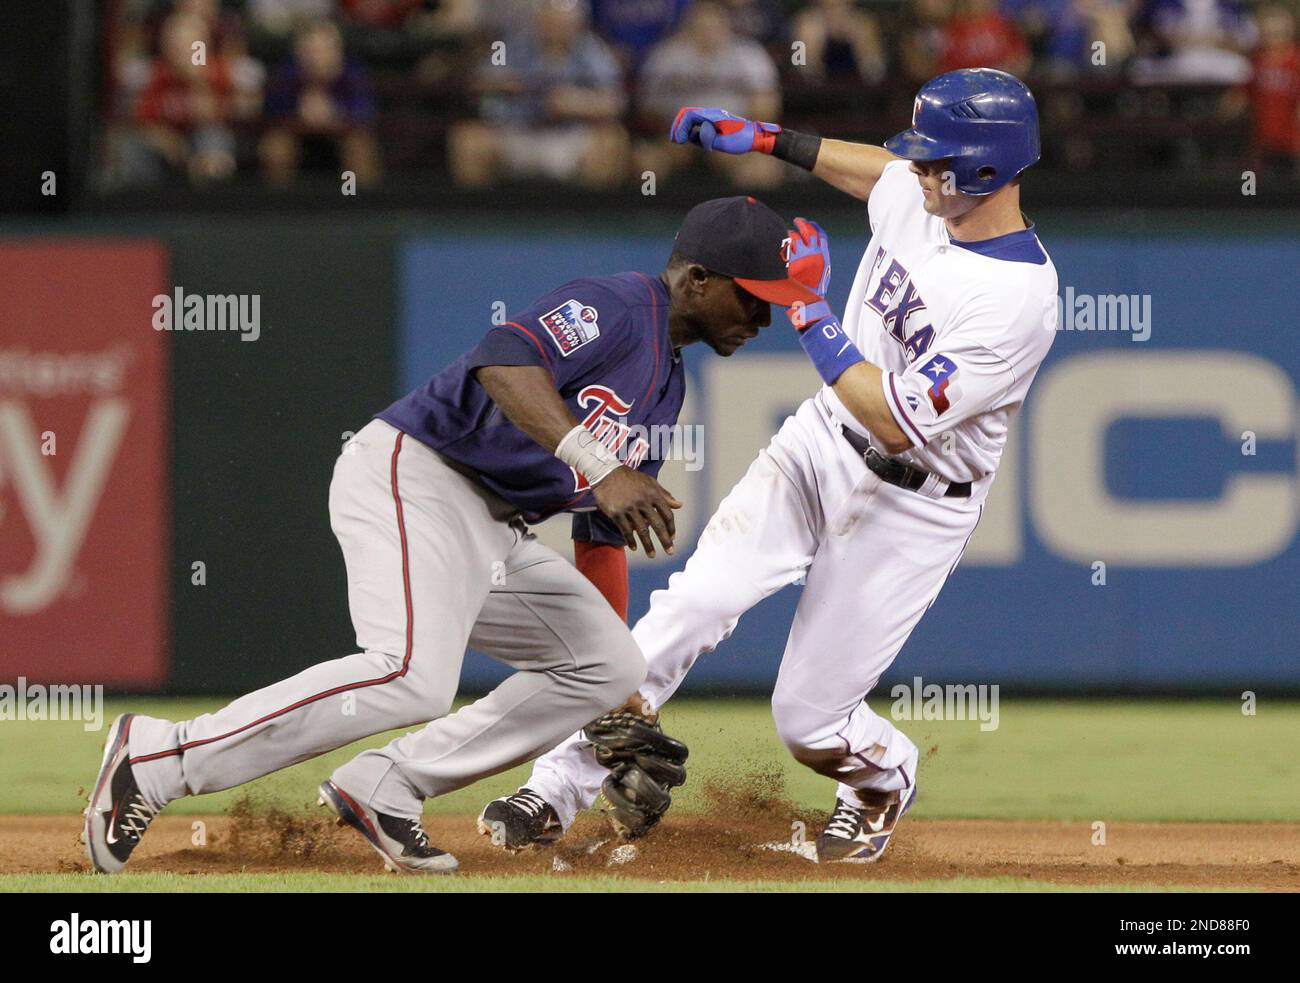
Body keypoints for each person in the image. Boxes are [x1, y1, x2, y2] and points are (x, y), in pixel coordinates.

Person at [83, 195, 822, 876]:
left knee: (606, 664)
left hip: (495, 530)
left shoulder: (668, 387)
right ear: (696, 279)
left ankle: (386, 783)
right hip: (418, 474)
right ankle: (159, 758)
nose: (763, 318)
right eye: (753, 296)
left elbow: (601, 533)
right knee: (409, 673)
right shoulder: (619, 306)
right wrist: (600, 466)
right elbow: (503, 360)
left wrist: (620, 692)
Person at [480, 69, 1059, 864]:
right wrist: (765, 139)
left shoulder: (1016, 298)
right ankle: (554, 788)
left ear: (985, 170)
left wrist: (808, 308)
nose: (916, 169)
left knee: (809, 721)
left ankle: (881, 777)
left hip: (915, 503)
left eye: (935, 159)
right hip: (819, 444)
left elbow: (892, 417)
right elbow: (881, 172)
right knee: (693, 604)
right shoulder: (927, 194)